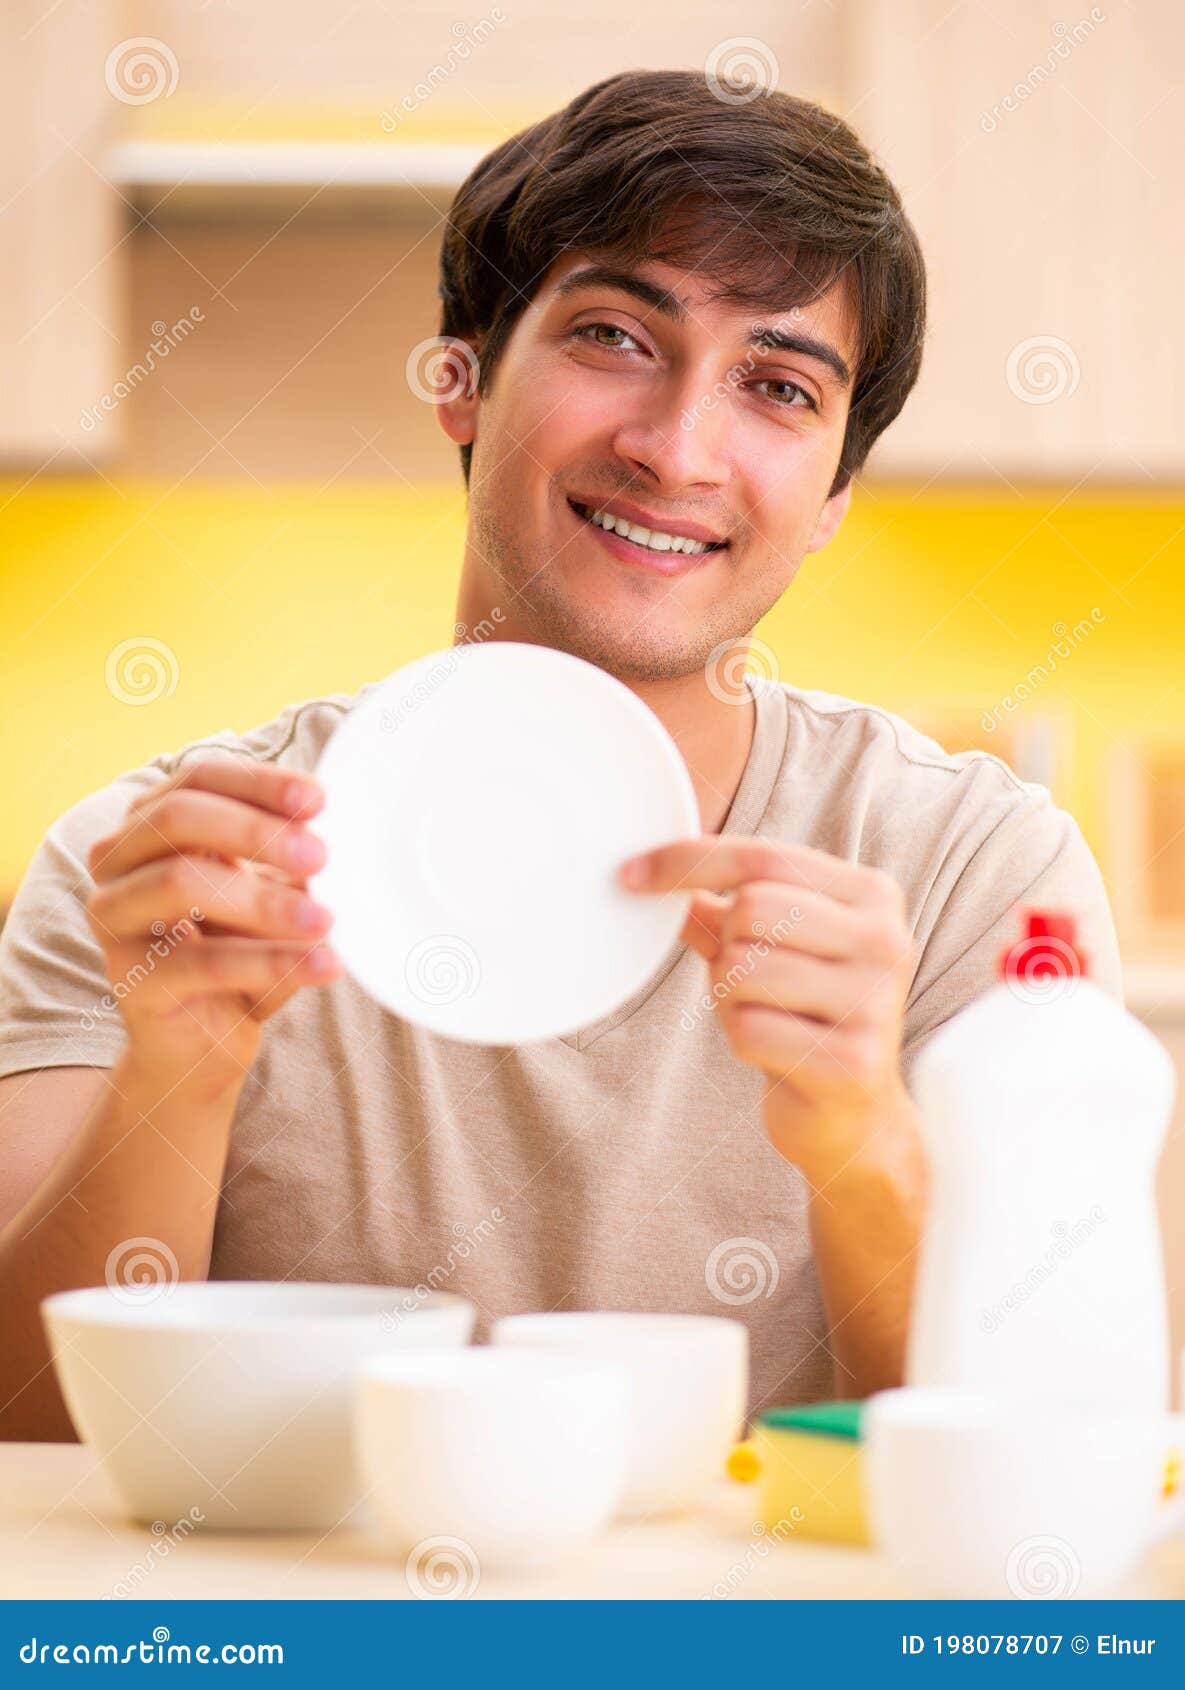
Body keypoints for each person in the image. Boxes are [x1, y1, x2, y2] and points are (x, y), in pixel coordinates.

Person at [0, 69, 1118, 1440]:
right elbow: (30, 1445)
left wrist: (861, 1143)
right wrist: (177, 1072)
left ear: (832, 493)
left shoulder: (973, 871)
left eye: (775, 385)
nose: (676, 447)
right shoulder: (163, 869)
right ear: (458, 380)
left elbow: (1048, 1454)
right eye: (613, 334)